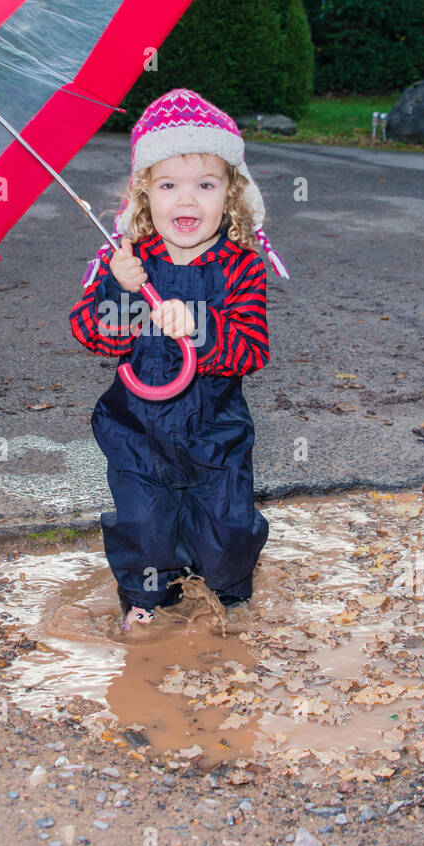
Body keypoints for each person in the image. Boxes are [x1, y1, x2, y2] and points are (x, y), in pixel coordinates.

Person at [68, 88, 289, 631]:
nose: (186, 202)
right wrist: (120, 294)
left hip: (215, 430)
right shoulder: (126, 264)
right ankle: (145, 599)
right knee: (142, 522)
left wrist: (203, 328)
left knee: (227, 526)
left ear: (231, 195)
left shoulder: (241, 268)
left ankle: (231, 590)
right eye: (169, 186)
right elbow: (93, 335)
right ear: (145, 194)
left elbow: (253, 349)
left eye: (205, 186)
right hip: (137, 430)